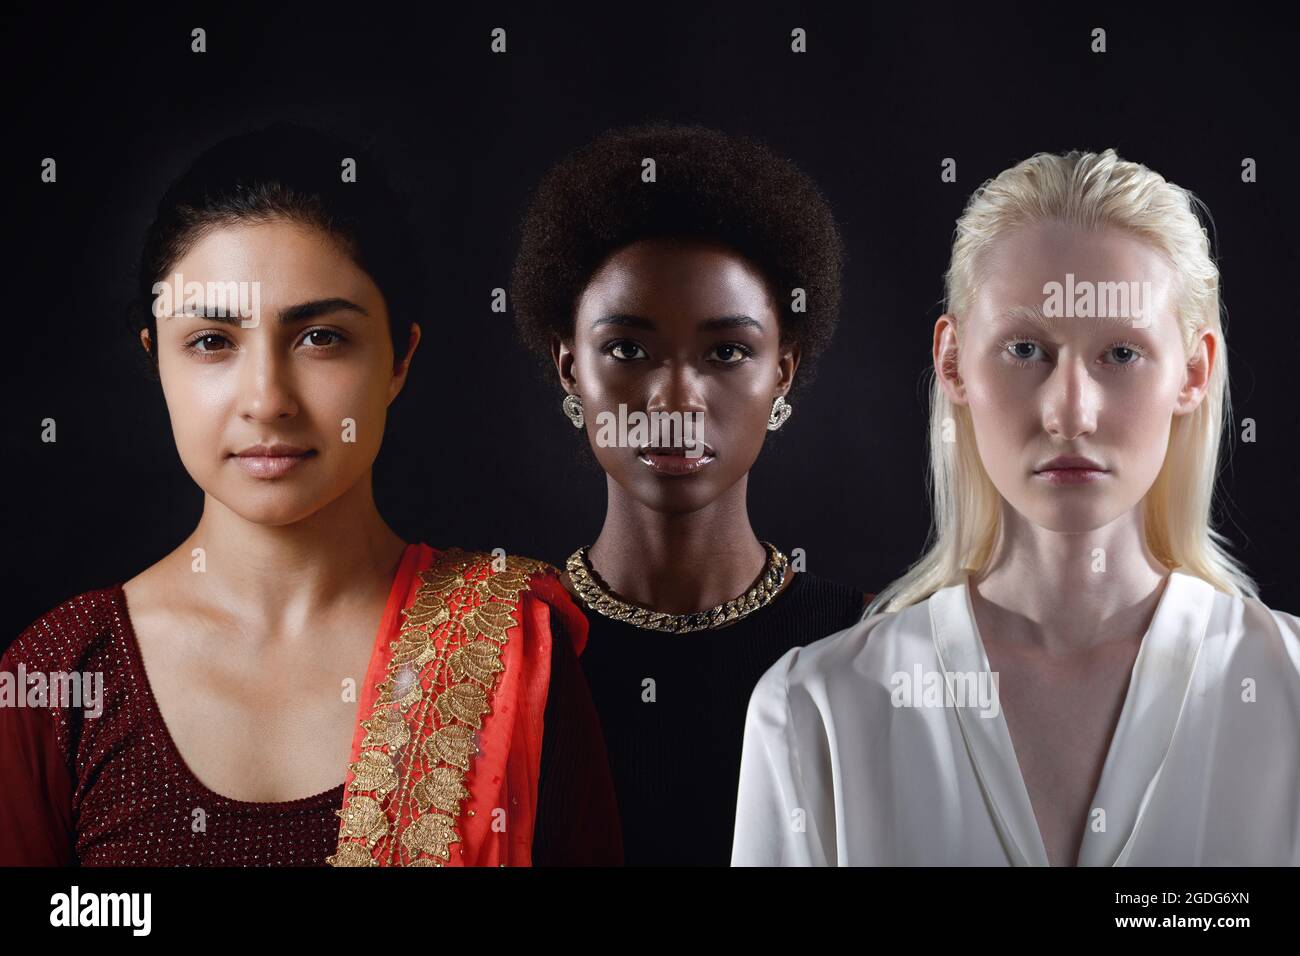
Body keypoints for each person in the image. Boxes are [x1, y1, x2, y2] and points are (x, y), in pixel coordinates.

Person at [0, 123, 620, 867]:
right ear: (154, 359)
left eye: (320, 337)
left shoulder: (515, 647)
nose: (267, 400)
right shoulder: (63, 676)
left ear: (398, 360)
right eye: (211, 343)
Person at [732, 148, 1300, 866]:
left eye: (1121, 354)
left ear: (1193, 373)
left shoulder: (1287, 694)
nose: (1070, 413)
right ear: (953, 361)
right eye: (1026, 347)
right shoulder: (816, 713)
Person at [512, 124, 869, 865]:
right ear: (569, 368)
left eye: (726, 352)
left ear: (784, 373)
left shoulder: (864, 649)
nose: (675, 398)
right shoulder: (502, 653)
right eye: (628, 349)